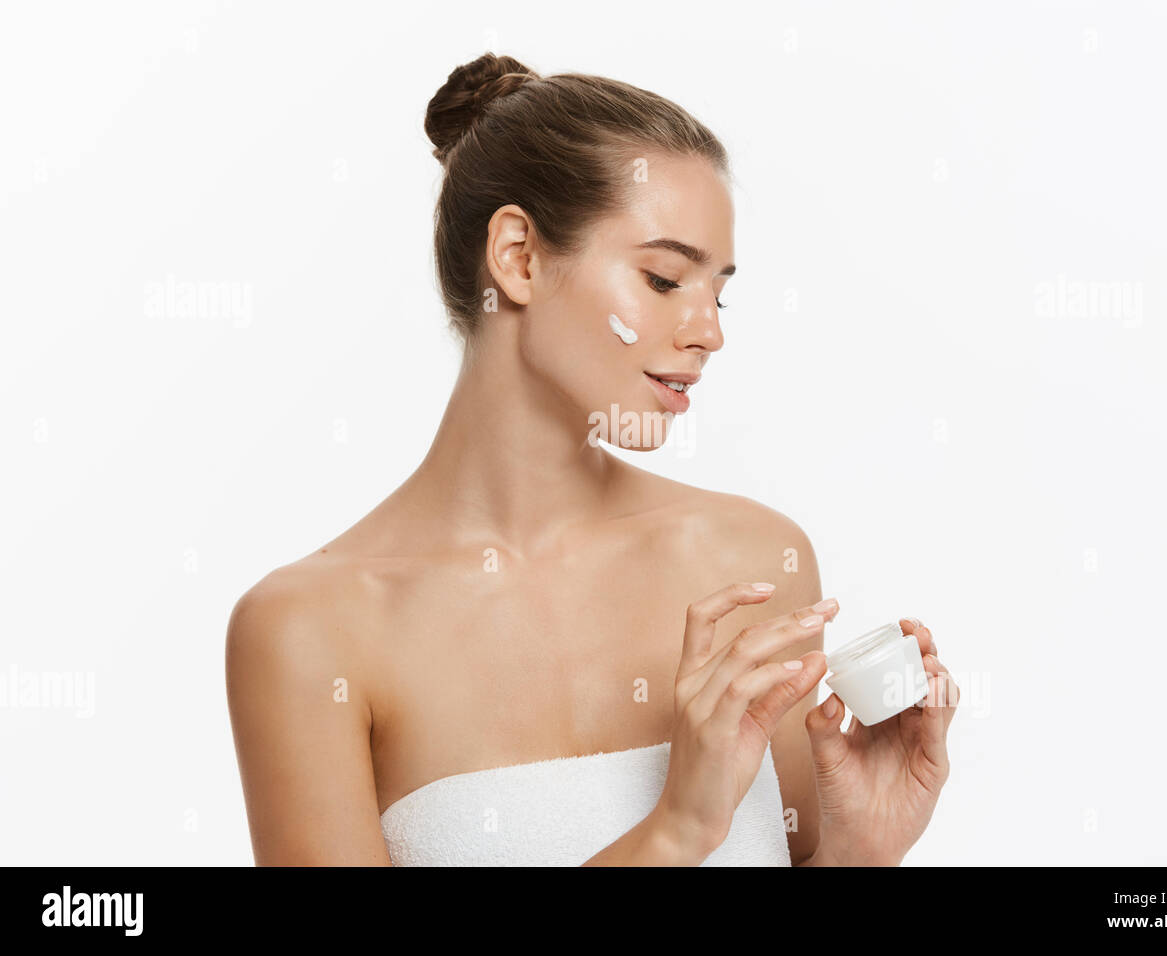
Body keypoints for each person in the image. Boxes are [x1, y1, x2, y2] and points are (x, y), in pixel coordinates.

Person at [225, 52, 958, 866]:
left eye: (719, 293)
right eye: (662, 277)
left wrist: (861, 852)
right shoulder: (311, 632)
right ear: (520, 258)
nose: (709, 331)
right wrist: (675, 831)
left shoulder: (750, 566)